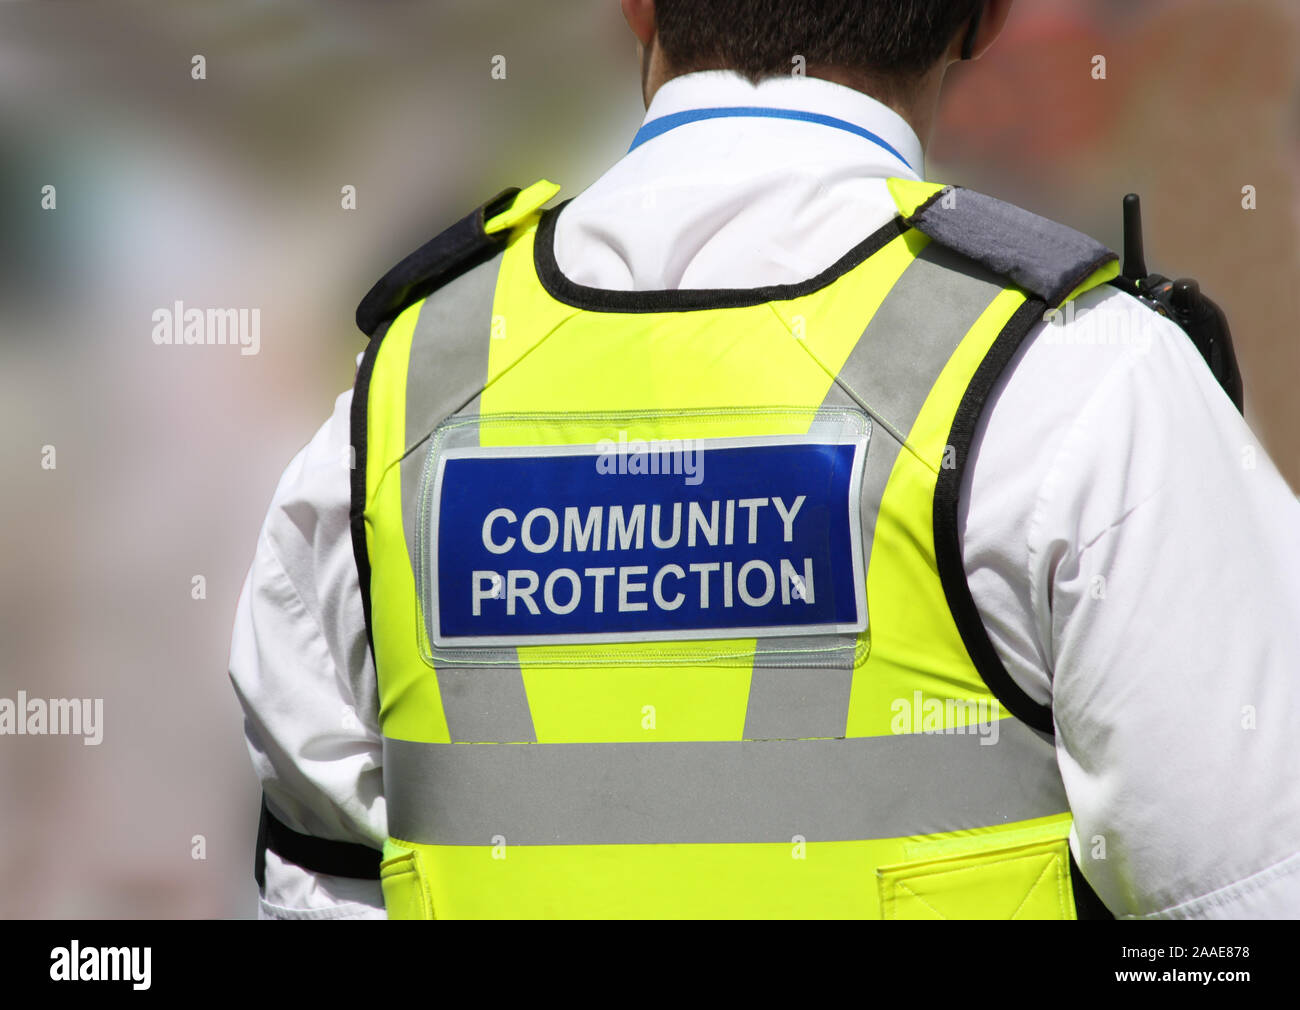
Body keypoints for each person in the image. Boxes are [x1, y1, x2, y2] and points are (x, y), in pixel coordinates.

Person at [229, 0, 1300, 919]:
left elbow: (321, 884)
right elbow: (1244, 900)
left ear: (636, 2)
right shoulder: (1083, 381)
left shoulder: (399, 394)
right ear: (988, 15)